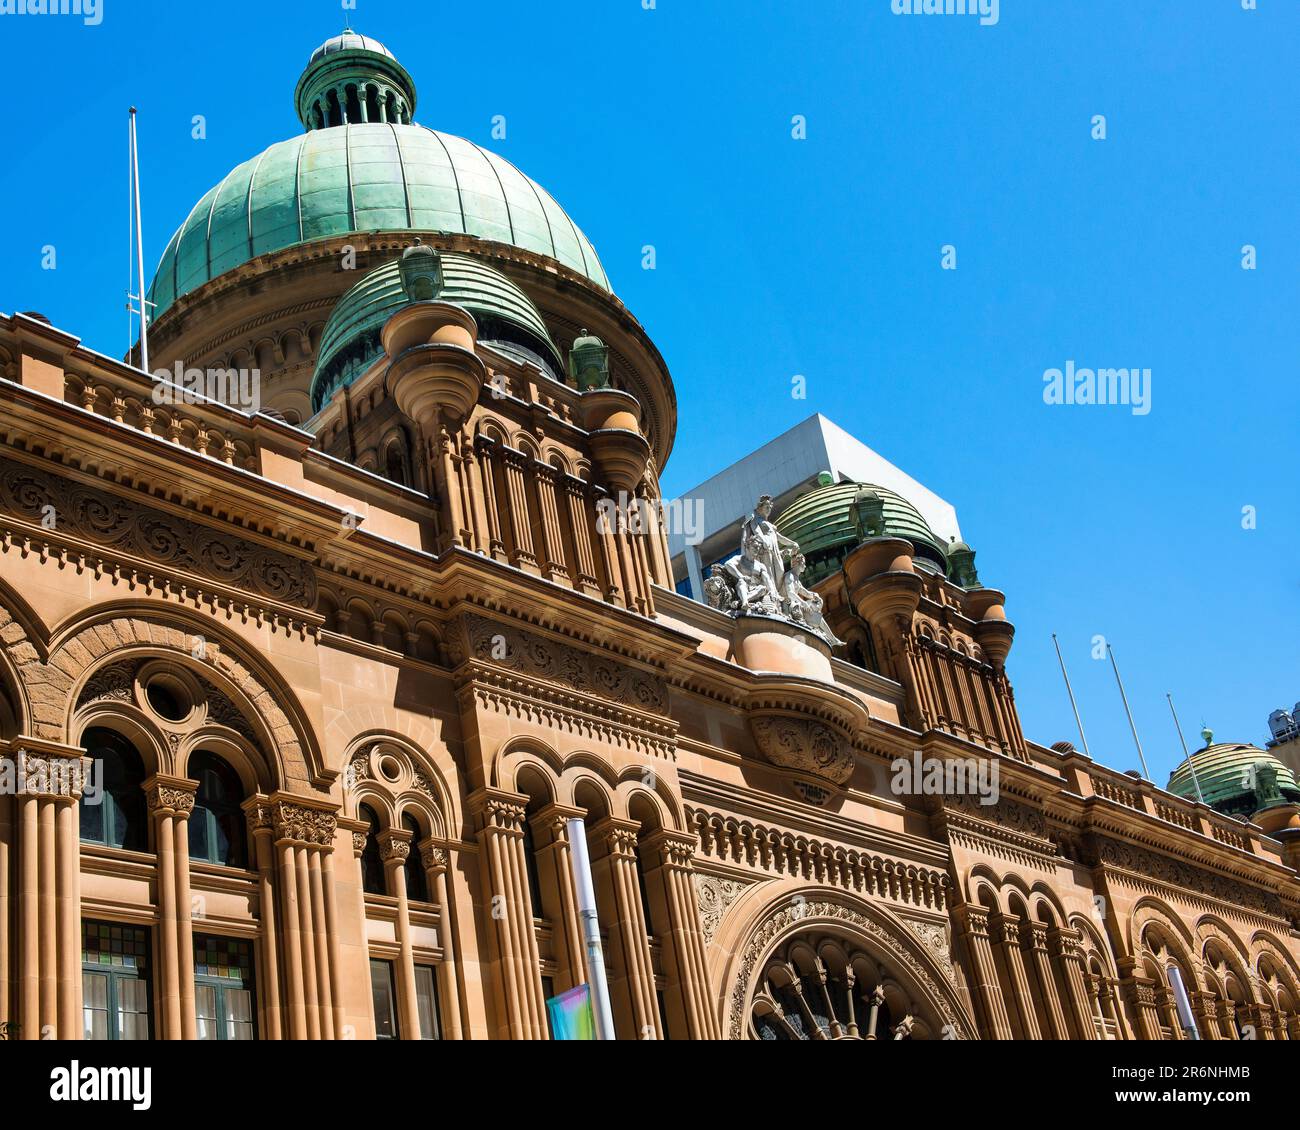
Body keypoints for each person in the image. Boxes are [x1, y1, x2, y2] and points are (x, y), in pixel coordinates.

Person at [781, 552, 845, 648]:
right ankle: (831, 638)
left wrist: (814, 595)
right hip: (789, 606)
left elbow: (804, 592)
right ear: (797, 563)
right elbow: (790, 593)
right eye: (803, 563)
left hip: (796, 604)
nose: (805, 566)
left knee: (815, 609)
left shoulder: (796, 579)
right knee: (813, 612)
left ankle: (832, 638)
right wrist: (803, 603)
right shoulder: (789, 576)